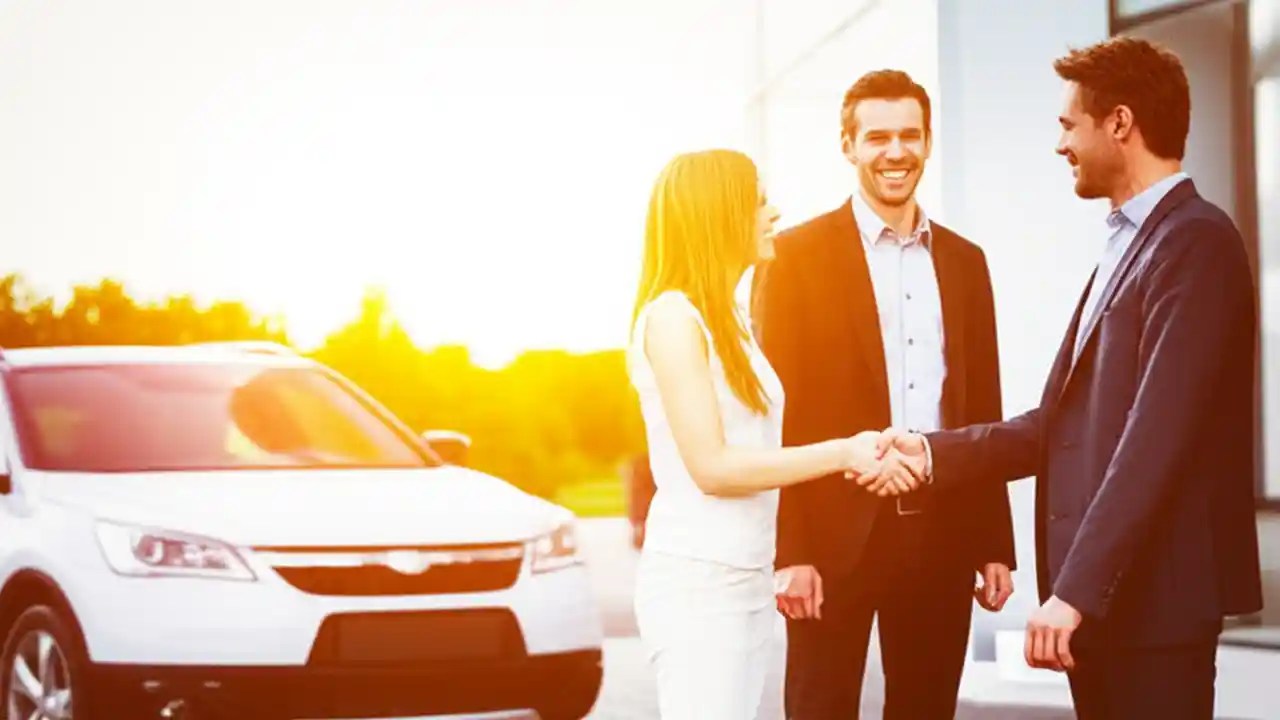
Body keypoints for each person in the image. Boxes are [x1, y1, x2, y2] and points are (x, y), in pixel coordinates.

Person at [872, 37, 1264, 720]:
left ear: (1119, 123)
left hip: (1155, 609)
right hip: (1115, 609)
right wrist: (933, 452)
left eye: (1068, 124)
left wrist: (1076, 591)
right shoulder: (1131, 242)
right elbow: (1062, 425)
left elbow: (1155, 439)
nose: (1060, 145)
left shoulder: (1197, 242)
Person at [755, 69, 1017, 719]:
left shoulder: (965, 262)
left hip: (942, 533)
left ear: (927, 141)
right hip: (830, 541)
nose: (895, 152)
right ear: (848, 145)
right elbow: (776, 417)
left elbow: (982, 407)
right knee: (819, 708)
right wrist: (791, 552)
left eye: (909, 135)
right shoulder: (793, 258)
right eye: (877, 137)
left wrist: (993, 543)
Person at [627, 148, 921, 720]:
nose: (774, 213)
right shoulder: (672, 319)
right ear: (718, 212)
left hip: (743, 576)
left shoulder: (728, 319)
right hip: (698, 583)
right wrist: (844, 452)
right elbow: (713, 469)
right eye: (758, 201)